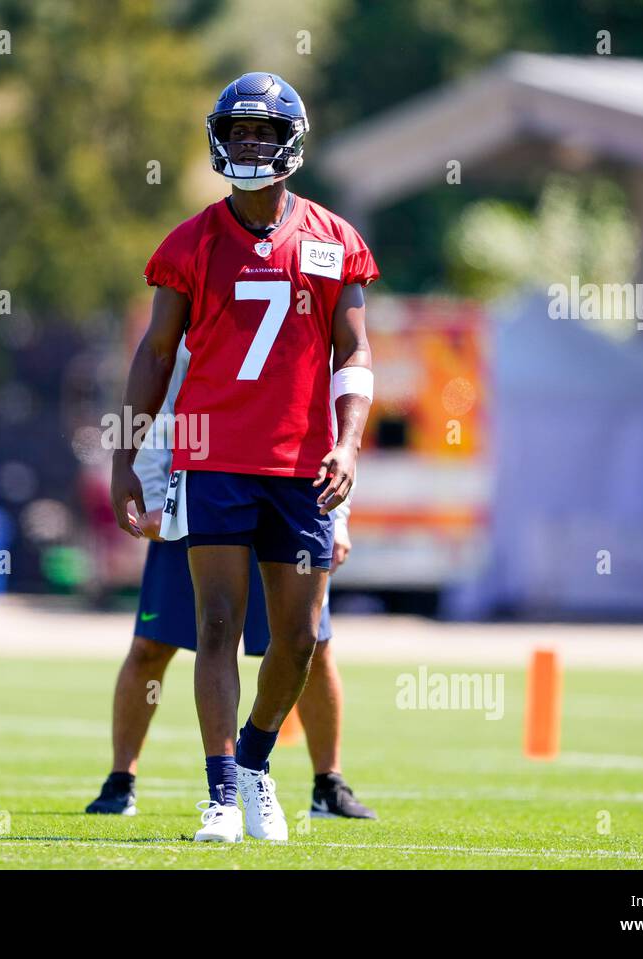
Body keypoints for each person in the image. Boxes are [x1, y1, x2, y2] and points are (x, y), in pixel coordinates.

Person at [110, 73, 378, 842]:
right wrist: (127, 454)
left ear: (291, 141)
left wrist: (349, 441)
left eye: (264, 131)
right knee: (217, 621)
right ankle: (222, 792)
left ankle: (258, 758)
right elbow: (156, 354)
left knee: (298, 638)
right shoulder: (191, 242)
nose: (251, 143)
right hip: (212, 454)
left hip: (299, 462)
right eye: (239, 132)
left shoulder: (333, 240)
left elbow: (354, 351)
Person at [87, 341, 376, 820]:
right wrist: (163, 501)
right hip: (204, 493)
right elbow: (166, 414)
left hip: (287, 499)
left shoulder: (309, 305)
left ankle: (327, 783)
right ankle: (123, 780)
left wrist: (338, 518)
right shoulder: (201, 307)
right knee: (153, 646)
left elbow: (332, 420)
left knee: (310, 646)